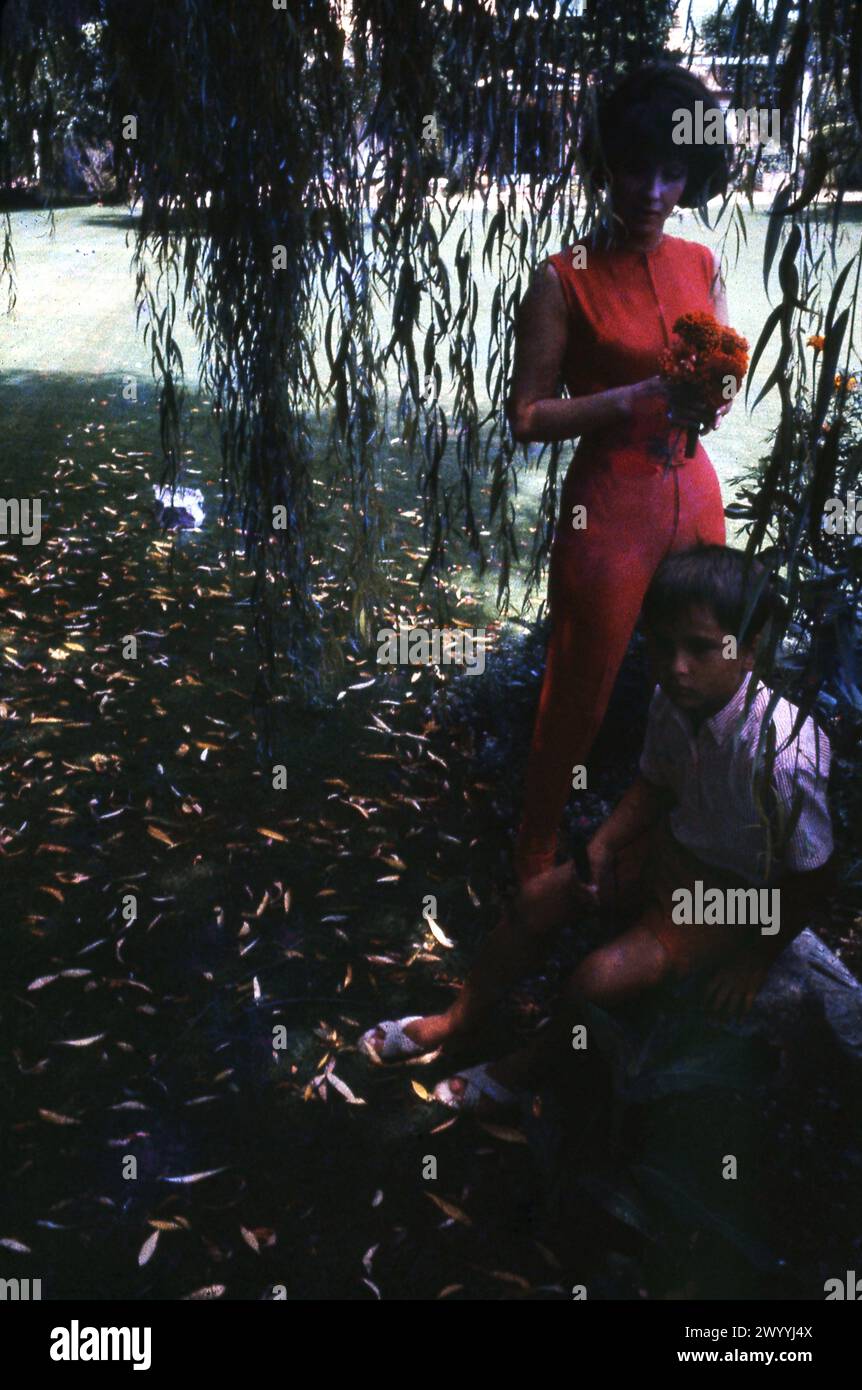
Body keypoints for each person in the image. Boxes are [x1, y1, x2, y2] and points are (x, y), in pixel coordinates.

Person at [360, 545, 836, 1114]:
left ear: (748, 650)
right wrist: (604, 844)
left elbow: (814, 871)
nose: (676, 665)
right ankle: (455, 1019)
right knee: (534, 901)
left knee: (595, 981)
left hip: (727, 896)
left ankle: (522, 1072)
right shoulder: (672, 699)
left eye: (701, 648)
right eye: (663, 645)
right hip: (671, 849)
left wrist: (757, 956)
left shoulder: (783, 755)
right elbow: (656, 784)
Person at [507, 62, 735, 886]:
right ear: (610, 165)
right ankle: (534, 858)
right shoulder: (562, 277)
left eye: (673, 172)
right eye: (637, 168)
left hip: (697, 495)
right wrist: (628, 396)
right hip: (609, 511)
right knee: (581, 688)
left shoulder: (701, 261)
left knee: (712, 678)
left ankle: (689, 847)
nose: (652, 189)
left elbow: (712, 382)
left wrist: (713, 392)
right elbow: (526, 418)